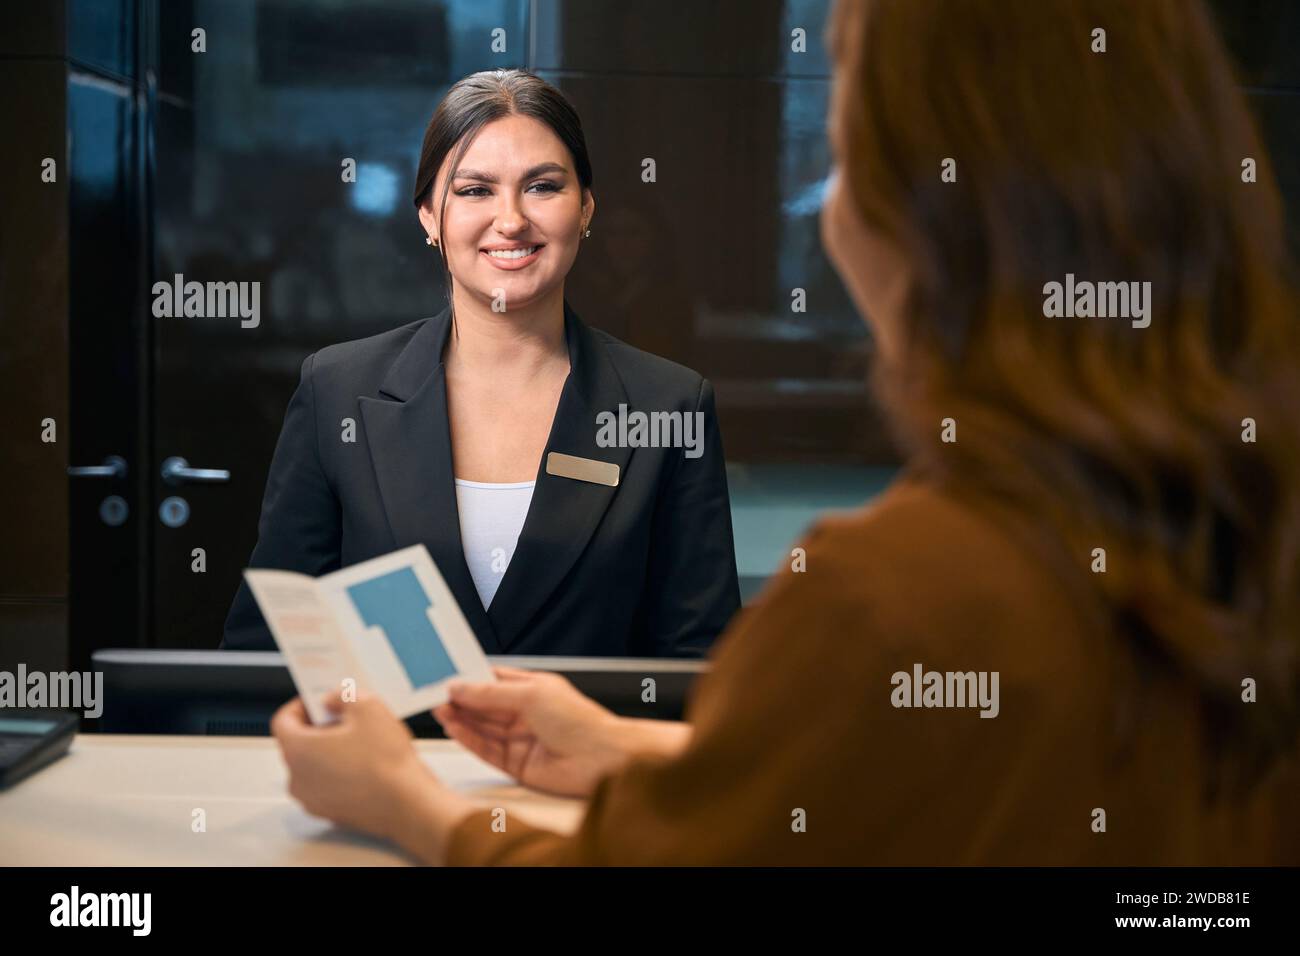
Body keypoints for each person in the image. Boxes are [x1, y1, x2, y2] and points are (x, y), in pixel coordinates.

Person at [271, 0, 1300, 864]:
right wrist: (632, 752)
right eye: (473, 189)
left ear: (921, 216)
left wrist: (408, 803)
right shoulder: (1246, 535)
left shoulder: (884, 596)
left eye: (848, 157)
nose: (827, 206)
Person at [222, 69, 740, 657]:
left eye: (543, 186)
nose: (512, 219)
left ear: (587, 208)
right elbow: (268, 653)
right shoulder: (337, 391)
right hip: (393, 751)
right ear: (428, 217)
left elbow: (701, 666)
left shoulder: (668, 405)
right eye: (475, 190)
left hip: (586, 751)